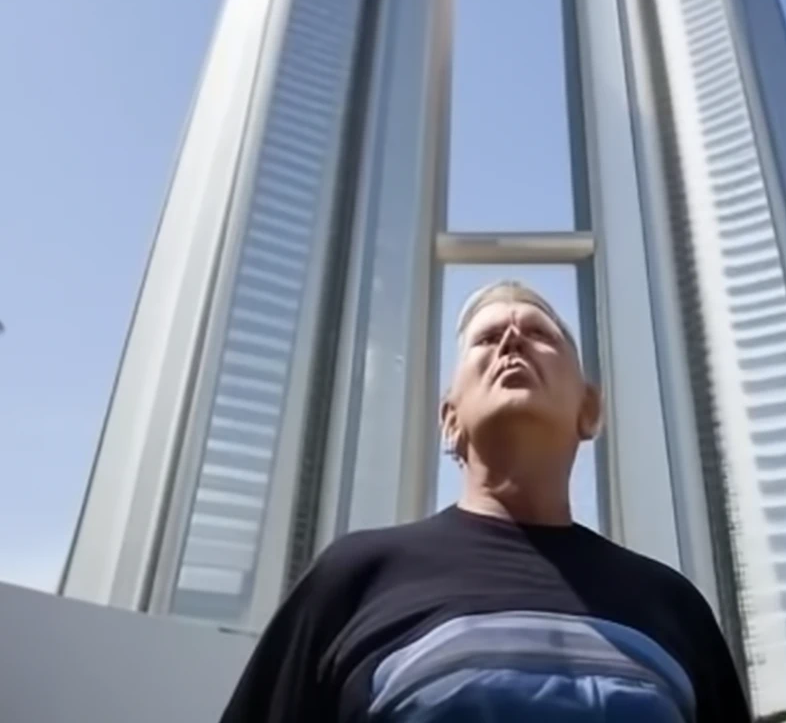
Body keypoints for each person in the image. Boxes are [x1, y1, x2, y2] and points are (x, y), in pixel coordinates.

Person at [219, 280, 752, 723]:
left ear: (589, 411)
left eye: (540, 333)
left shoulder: (673, 605)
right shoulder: (354, 580)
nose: (512, 339)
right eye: (488, 337)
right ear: (449, 418)